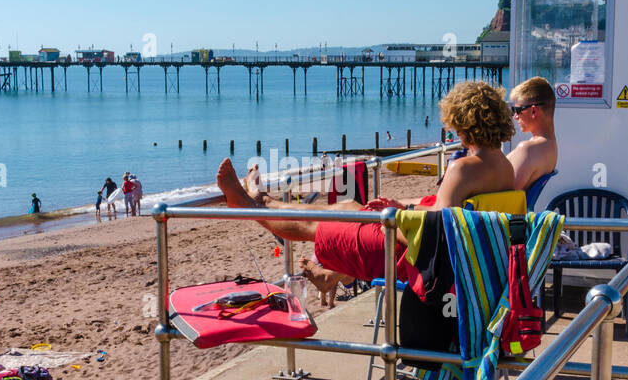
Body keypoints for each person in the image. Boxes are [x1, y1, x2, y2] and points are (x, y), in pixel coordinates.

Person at [216, 80, 516, 293]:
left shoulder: (464, 167)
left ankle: (252, 205)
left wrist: (395, 216)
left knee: (319, 222)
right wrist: (405, 207)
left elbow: (438, 232)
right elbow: (448, 212)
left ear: (460, 120)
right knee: (348, 207)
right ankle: (265, 203)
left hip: (422, 261)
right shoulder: (504, 166)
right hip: (459, 259)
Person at [507, 77, 559, 193]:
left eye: (518, 110)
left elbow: (507, 196)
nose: (515, 116)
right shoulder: (549, 145)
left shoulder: (528, 149)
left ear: (534, 111)